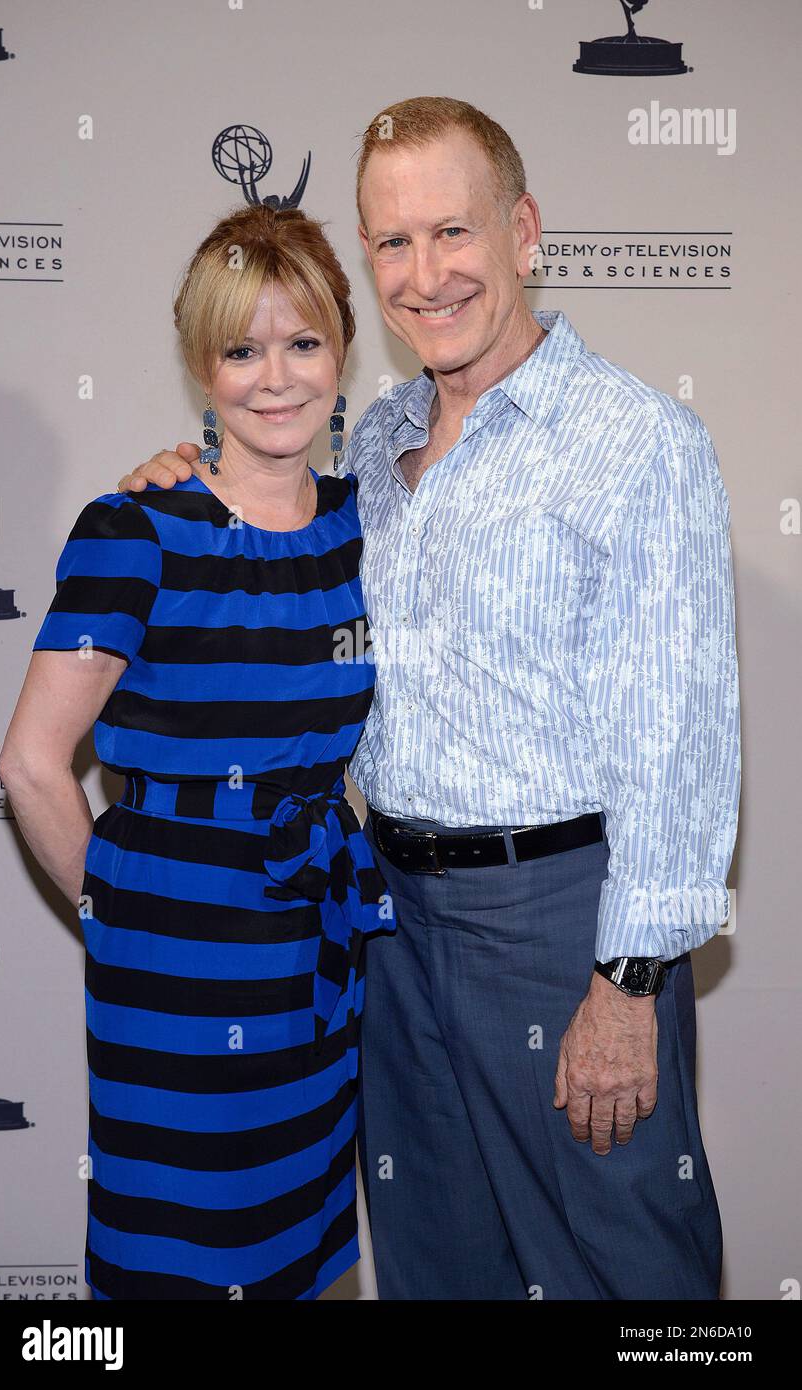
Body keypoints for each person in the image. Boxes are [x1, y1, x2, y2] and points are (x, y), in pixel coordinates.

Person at [116, 96, 741, 1300]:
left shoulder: (634, 441)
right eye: (390, 243)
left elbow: (682, 740)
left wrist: (627, 987)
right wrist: (176, 474)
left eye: (450, 233)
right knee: (437, 1272)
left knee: (624, 1278)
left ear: (522, 232)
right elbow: (259, 530)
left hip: (565, 933)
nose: (424, 274)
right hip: (387, 926)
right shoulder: (375, 451)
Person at [0, 203, 394, 1301]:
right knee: (178, 1244)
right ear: (199, 365)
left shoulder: (368, 526)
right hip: (172, 966)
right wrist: (122, 910)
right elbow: (32, 764)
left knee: (304, 1241)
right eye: (240, 349)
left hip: (317, 945)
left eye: (302, 342)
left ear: (343, 348)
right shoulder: (136, 530)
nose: (275, 377)